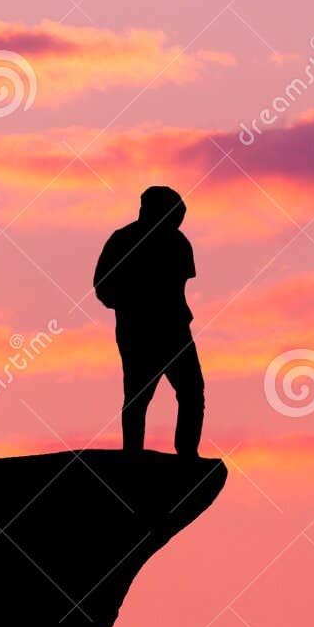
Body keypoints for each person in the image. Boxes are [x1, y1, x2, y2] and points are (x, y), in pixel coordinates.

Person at [93, 186, 204, 456]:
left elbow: (180, 286)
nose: (176, 221)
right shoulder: (123, 240)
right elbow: (103, 287)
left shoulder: (178, 243)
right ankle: (133, 454)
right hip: (138, 330)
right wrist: (134, 303)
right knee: (138, 394)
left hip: (175, 328)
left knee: (192, 390)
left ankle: (187, 454)